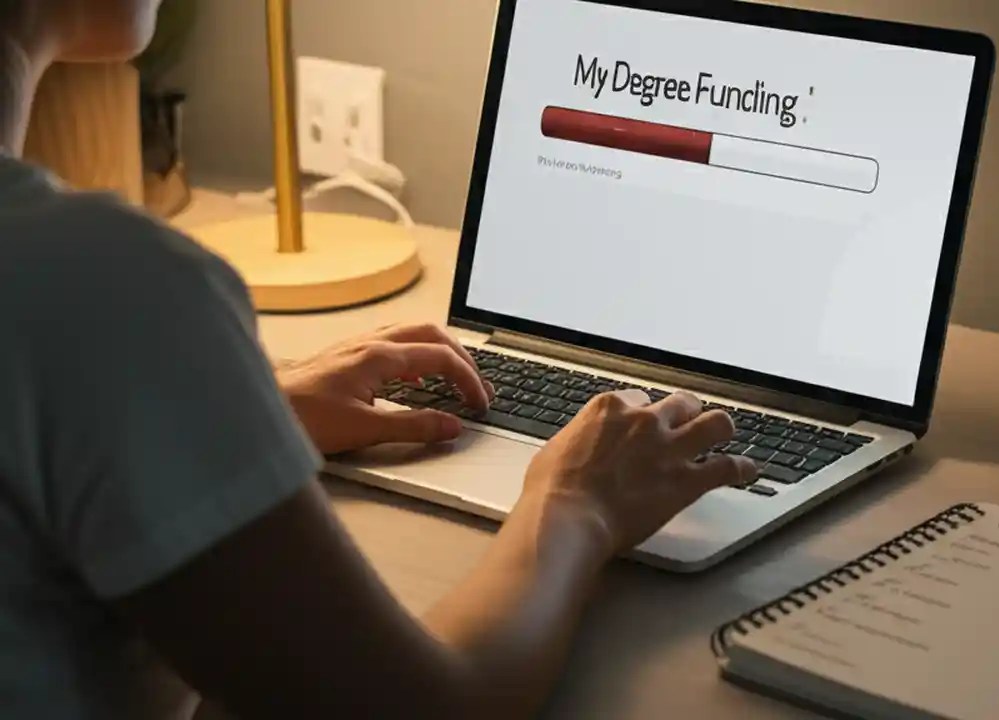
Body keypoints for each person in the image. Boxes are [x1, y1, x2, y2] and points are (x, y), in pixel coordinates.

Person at [0, 2, 757, 718]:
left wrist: (224, 422)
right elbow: (428, 709)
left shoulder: (72, 292)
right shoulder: (98, 284)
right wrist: (576, 507)